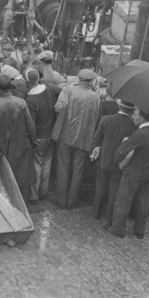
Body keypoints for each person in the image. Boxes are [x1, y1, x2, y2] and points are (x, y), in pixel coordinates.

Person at [50, 69, 101, 208]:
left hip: (65, 135)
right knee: (78, 169)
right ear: (91, 81)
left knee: (63, 166)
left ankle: (61, 199)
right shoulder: (95, 97)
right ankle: (72, 200)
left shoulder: (67, 91)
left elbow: (58, 108)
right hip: (84, 138)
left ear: (79, 79)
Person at [108, 102, 149, 239]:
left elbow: (121, 151)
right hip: (148, 173)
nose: (133, 117)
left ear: (142, 117)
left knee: (123, 201)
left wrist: (125, 142)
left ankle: (118, 229)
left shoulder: (139, 134)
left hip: (133, 173)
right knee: (143, 202)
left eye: (136, 115)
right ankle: (140, 230)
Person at [89, 99, 137, 223]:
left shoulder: (105, 120)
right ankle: (109, 217)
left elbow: (96, 140)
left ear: (119, 106)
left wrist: (92, 152)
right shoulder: (133, 125)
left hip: (104, 159)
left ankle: (97, 212)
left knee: (101, 187)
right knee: (114, 191)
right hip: (120, 162)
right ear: (132, 111)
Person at [0, 76, 36, 196]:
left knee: (6, 176)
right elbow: (30, 124)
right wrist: (33, 141)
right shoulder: (21, 102)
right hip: (21, 142)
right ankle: (24, 202)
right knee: (24, 175)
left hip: (3, 144)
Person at [24, 69, 58, 203]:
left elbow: (31, 124)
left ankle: (34, 195)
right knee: (47, 162)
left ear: (27, 81)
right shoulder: (49, 89)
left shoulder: (30, 100)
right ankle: (44, 192)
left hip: (39, 136)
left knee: (36, 165)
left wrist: (32, 140)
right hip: (51, 134)